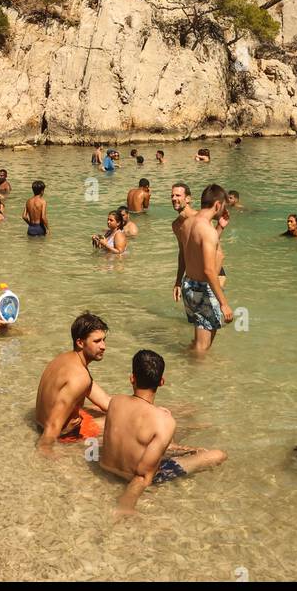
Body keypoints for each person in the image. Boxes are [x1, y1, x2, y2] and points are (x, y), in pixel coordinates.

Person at [99, 349, 227, 512]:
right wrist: (126, 506)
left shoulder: (116, 401)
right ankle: (189, 449)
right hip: (131, 479)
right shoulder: (164, 422)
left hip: (107, 467)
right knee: (219, 455)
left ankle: (185, 448)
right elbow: (142, 476)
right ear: (161, 381)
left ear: (132, 378)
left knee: (170, 434)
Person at [35, 313, 111, 450]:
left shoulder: (63, 359)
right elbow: (52, 427)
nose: (103, 346)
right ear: (80, 342)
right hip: (65, 436)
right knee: (119, 421)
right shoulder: (80, 377)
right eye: (97, 341)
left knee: (101, 409)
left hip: (41, 423)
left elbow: (106, 402)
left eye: (104, 340)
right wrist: (46, 451)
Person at [179, 184, 233, 353]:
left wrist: (220, 227)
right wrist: (224, 304)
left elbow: (198, 247)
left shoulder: (186, 224)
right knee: (203, 348)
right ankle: (196, 375)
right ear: (218, 205)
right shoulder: (207, 230)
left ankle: (187, 363)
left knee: (198, 342)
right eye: (223, 206)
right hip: (203, 289)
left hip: (189, 284)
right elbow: (209, 270)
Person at [170, 182, 194, 303]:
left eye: (178, 195)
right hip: (190, 280)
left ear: (188, 198)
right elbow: (182, 253)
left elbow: (216, 251)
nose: (174, 198)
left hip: (209, 279)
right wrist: (178, 282)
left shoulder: (200, 218)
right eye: (172, 196)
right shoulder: (176, 225)